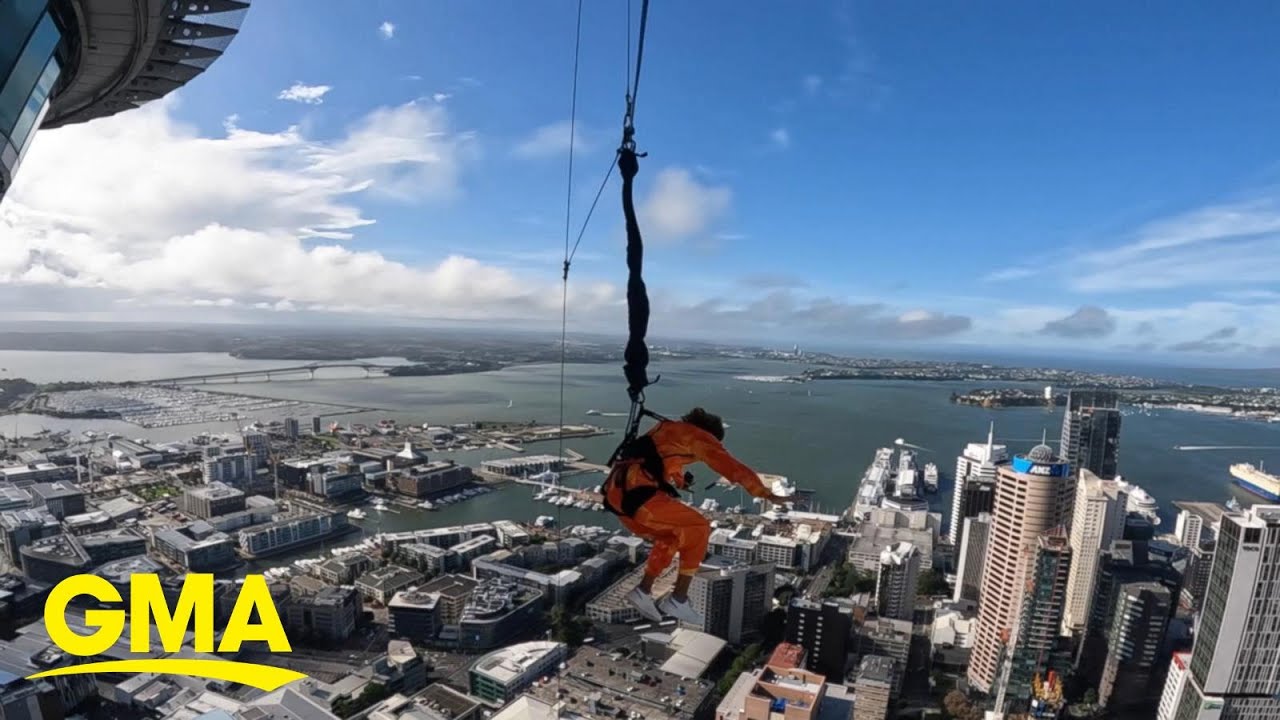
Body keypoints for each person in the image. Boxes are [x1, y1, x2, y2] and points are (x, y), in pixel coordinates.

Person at [602, 407, 790, 623]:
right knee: (700, 527)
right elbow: (729, 465)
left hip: (620, 497)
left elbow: (667, 462)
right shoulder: (697, 436)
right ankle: (678, 599)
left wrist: (680, 481)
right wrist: (765, 493)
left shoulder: (667, 433)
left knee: (671, 538)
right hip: (639, 496)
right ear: (710, 434)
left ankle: (643, 590)